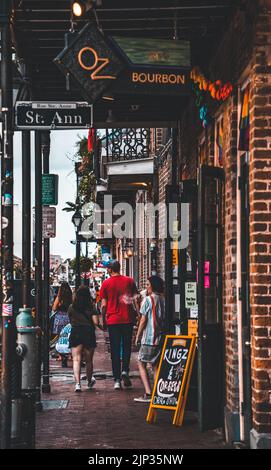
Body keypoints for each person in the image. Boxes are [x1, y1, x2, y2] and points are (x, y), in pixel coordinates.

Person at [100, 260, 138, 390]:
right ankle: (125, 371)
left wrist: (103, 319)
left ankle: (117, 380)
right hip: (127, 319)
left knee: (115, 349)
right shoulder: (129, 281)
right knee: (127, 346)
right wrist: (137, 314)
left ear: (110, 269)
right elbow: (135, 300)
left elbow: (104, 304)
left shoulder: (106, 283)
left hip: (113, 320)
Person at [134, 276, 165, 403]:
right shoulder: (163, 300)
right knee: (155, 365)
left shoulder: (148, 299)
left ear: (153, 286)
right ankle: (159, 393)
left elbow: (143, 319)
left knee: (141, 362)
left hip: (149, 338)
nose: (147, 287)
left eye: (148, 284)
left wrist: (138, 336)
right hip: (160, 337)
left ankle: (148, 393)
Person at [68, 285, 102, 392]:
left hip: (76, 332)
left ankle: (77, 384)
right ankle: (88, 382)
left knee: (76, 359)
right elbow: (96, 322)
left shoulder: (71, 307)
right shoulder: (91, 307)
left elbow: (70, 320)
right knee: (88, 360)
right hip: (88, 333)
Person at [52, 282, 73, 367]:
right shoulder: (71, 297)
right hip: (68, 319)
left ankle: (62, 356)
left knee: (60, 338)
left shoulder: (59, 297)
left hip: (59, 319)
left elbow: (54, 308)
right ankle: (70, 354)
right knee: (69, 337)